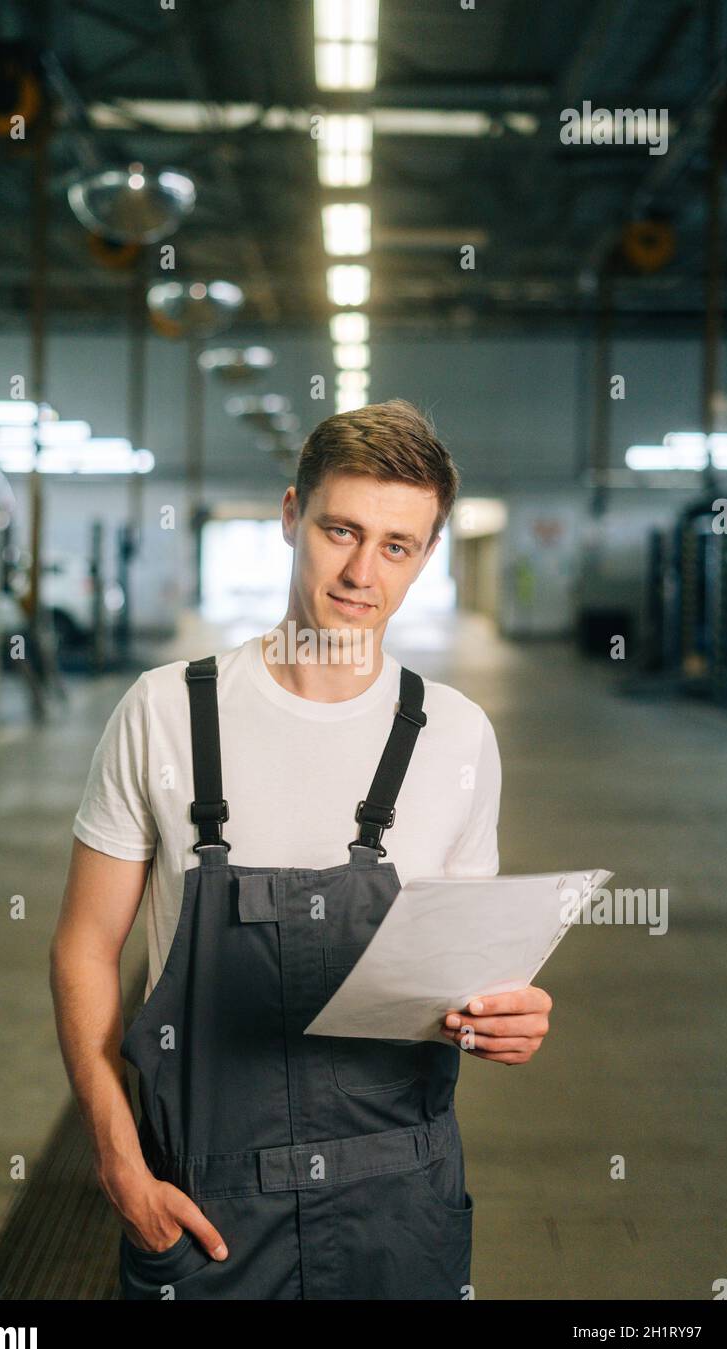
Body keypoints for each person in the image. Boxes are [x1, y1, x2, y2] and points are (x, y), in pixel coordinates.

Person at [50, 398, 552, 1301]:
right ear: (292, 516)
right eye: (340, 531)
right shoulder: (167, 712)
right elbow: (84, 947)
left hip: (400, 1207)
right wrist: (120, 1166)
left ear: (427, 557)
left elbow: (461, 979)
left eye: (397, 545)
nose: (363, 571)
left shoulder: (457, 735)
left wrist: (502, 1018)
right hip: (206, 1211)